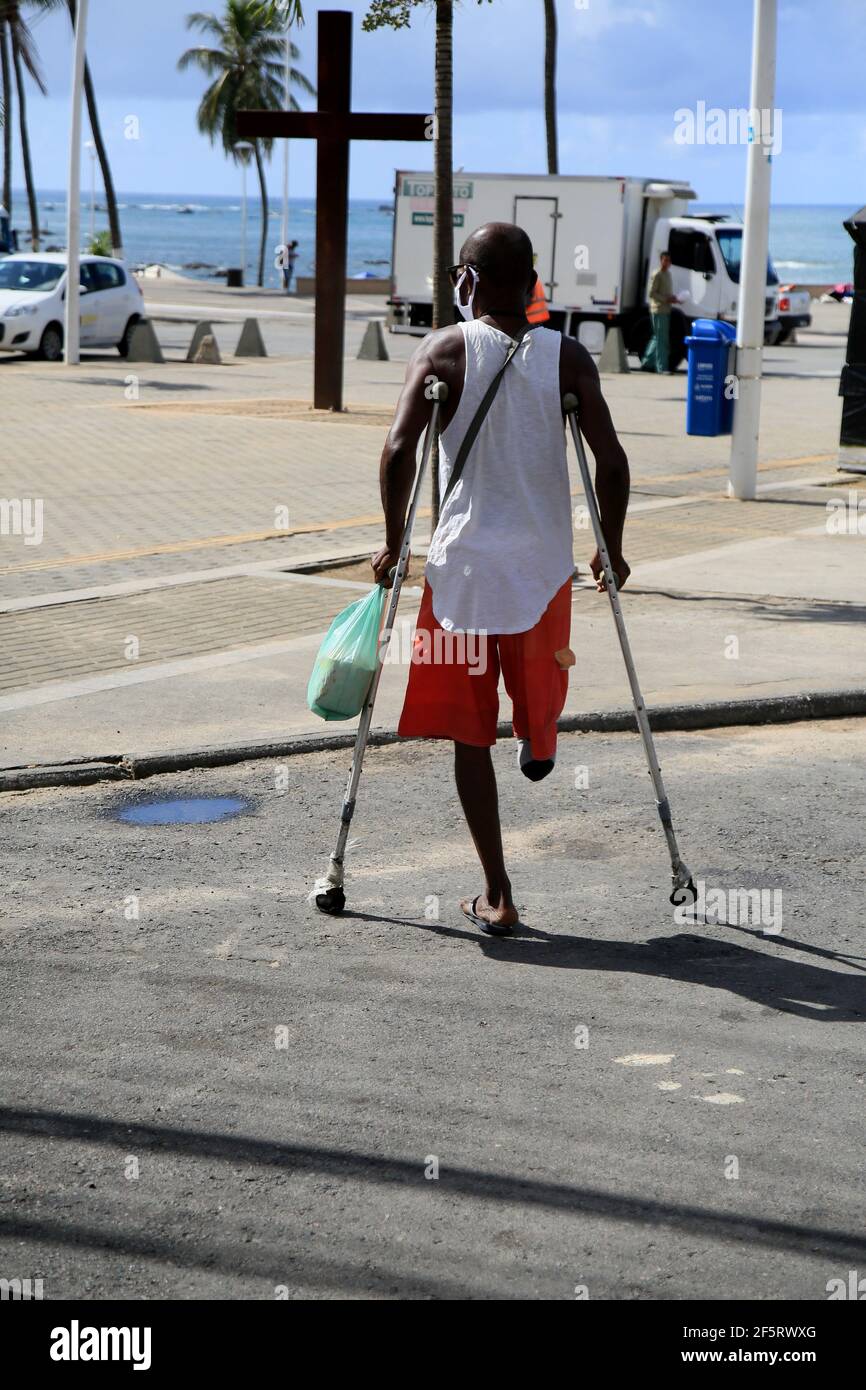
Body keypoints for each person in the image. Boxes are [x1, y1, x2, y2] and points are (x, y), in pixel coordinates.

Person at [372, 222, 630, 936]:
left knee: (469, 734)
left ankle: (498, 891)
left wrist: (393, 543)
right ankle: (540, 740)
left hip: (462, 575)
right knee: (539, 687)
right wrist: (611, 545)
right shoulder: (569, 356)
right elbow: (611, 459)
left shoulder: (442, 350)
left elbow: (399, 451)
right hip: (543, 569)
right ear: (534, 281)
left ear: (469, 279)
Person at [642, 249, 677, 373]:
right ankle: (662, 367)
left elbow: (665, 292)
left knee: (657, 338)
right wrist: (666, 299)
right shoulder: (657, 274)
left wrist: (673, 298)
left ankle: (646, 362)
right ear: (661, 260)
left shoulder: (667, 274)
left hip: (665, 309)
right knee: (662, 341)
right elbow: (652, 293)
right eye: (664, 260)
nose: (666, 263)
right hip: (658, 310)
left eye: (668, 261)